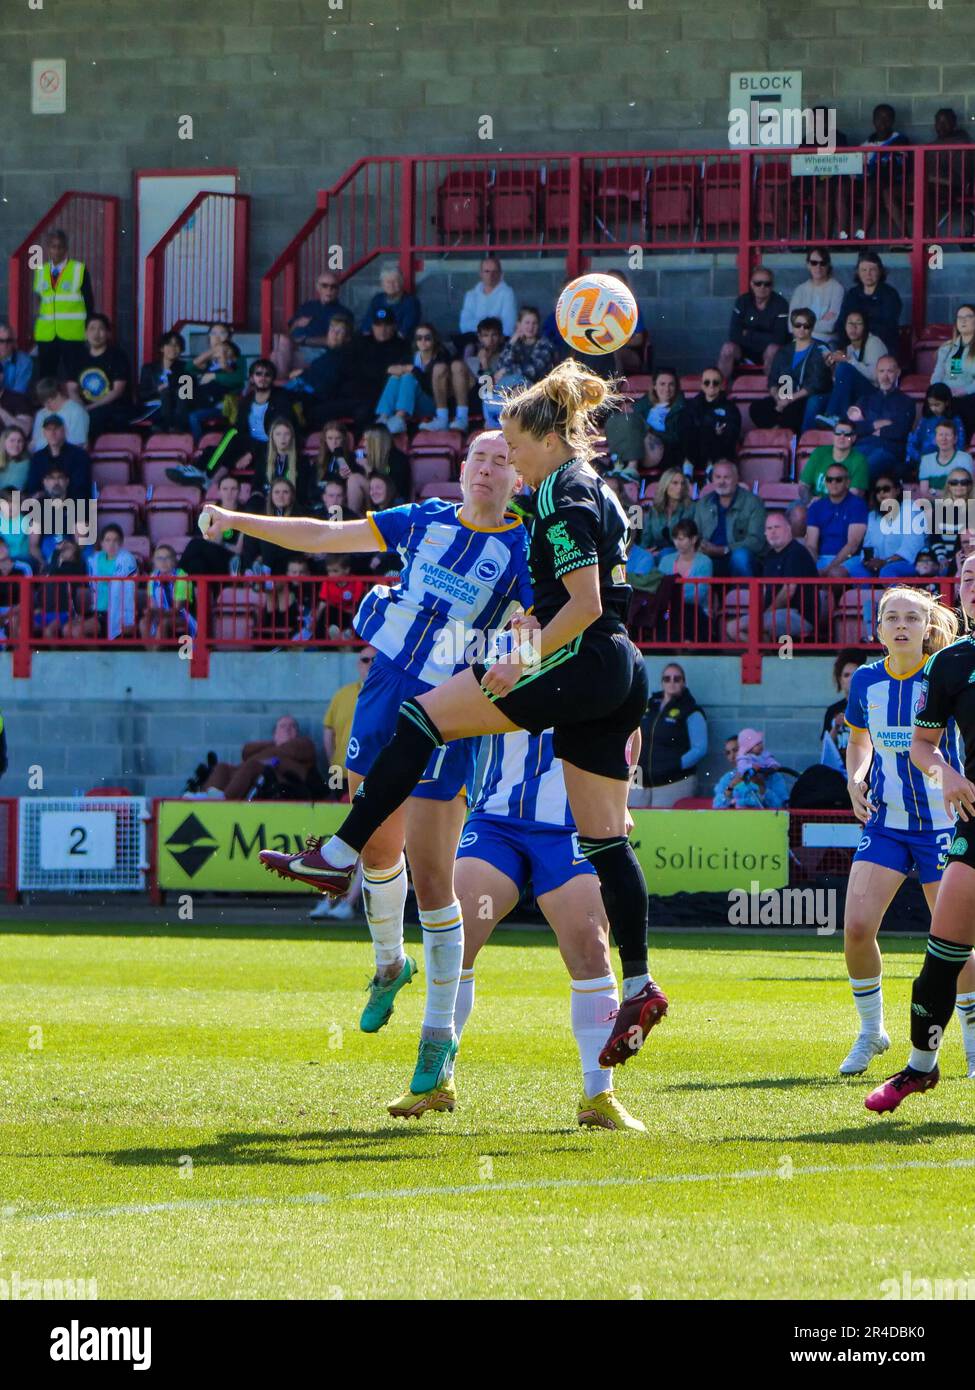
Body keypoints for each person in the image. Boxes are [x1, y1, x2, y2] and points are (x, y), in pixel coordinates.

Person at [230, 364, 671, 1090]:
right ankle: (641, 985)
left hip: (581, 663)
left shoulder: (559, 496)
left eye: (512, 451)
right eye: (487, 454)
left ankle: (342, 857)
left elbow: (580, 604)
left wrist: (516, 655)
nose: (507, 463)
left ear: (540, 440)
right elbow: (592, 597)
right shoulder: (578, 491)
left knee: (427, 722)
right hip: (617, 668)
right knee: (607, 840)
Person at [199, 430, 540, 1109]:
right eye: (478, 457)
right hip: (385, 690)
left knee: (436, 880)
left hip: (452, 708)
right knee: (377, 849)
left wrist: (520, 653)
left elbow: (536, 621)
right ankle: (389, 962)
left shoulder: (522, 549)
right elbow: (326, 537)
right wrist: (239, 520)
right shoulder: (424, 520)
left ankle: (438, 1043)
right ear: (462, 466)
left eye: (502, 461)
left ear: (517, 479)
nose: (486, 468)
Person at [447, 728, 645, 1130]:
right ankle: (437, 1070)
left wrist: (619, 799)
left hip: (573, 824)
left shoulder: (602, 662)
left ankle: (598, 1093)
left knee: (591, 946)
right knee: (458, 938)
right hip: (497, 819)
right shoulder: (490, 661)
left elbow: (629, 724)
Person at [841, 586, 975, 1102]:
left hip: (944, 824)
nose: (901, 626)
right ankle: (872, 1032)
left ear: (928, 626)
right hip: (886, 822)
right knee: (855, 927)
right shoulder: (866, 680)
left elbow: (937, 746)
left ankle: (967, 1038)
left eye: (911, 618)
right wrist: (855, 777)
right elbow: (859, 741)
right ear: (877, 629)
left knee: (954, 943)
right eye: (890, 618)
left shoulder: (944, 671)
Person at [725, 509, 819, 640]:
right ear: (765, 533)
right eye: (769, 528)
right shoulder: (770, 556)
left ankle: (767, 651)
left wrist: (766, 612)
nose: (773, 532)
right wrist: (759, 612)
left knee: (751, 625)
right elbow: (765, 590)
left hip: (797, 615)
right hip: (774, 615)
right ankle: (767, 653)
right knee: (731, 628)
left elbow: (788, 591)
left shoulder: (796, 552)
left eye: (777, 527)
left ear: (788, 529)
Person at [630, 661, 706, 809]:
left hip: (673, 781)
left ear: (684, 682)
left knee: (663, 826)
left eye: (677, 679)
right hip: (639, 779)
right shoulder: (648, 706)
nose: (672, 682)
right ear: (662, 682)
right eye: (667, 678)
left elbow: (700, 748)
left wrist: (675, 765)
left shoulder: (691, 710)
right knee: (635, 826)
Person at [192, 715, 318, 800]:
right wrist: (275, 743)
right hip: (257, 776)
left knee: (253, 765)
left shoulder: (304, 744)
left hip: (284, 781)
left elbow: (300, 751)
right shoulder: (269, 747)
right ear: (274, 734)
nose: (288, 729)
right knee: (222, 767)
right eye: (283, 726)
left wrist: (278, 745)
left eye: (292, 726)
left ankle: (226, 800)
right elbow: (246, 750)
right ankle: (205, 798)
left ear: (297, 732)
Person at [749, 308, 833, 434]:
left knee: (792, 412)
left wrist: (789, 400)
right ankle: (777, 433)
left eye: (807, 326)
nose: (802, 329)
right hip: (784, 395)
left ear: (812, 327)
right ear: (792, 326)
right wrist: (777, 397)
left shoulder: (820, 348)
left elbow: (816, 383)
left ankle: (787, 440)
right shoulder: (784, 351)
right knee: (756, 408)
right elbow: (773, 380)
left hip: (803, 397)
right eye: (798, 325)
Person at [480, 306, 557, 430]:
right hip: (508, 391)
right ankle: (494, 424)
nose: (530, 327)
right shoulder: (515, 344)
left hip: (535, 392)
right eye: (527, 323)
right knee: (487, 389)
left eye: (534, 323)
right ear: (519, 324)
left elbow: (533, 371)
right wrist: (512, 341)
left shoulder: (545, 345)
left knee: (518, 382)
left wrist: (507, 371)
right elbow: (501, 365)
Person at [32, 229, 93, 380]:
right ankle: (48, 404)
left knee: (74, 375)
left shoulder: (79, 269)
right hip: (46, 334)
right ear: (48, 249)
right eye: (53, 246)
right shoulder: (41, 271)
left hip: (72, 333)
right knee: (46, 375)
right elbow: (40, 300)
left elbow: (89, 302)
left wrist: (88, 328)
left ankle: (74, 403)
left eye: (60, 247)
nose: (57, 250)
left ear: (66, 249)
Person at [845, 355, 915, 480]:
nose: (885, 376)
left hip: (889, 450)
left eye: (890, 371)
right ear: (876, 373)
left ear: (898, 373)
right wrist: (876, 425)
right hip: (863, 446)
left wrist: (868, 427)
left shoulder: (906, 402)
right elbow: (853, 428)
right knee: (842, 468)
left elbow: (900, 432)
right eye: (881, 371)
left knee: (863, 469)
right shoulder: (865, 399)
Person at [693, 458, 766, 577]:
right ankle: (697, 596)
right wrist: (700, 546)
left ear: (737, 479)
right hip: (708, 557)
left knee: (740, 556)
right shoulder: (703, 503)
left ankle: (743, 595)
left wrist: (723, 550)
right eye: (718, 477)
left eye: (726, 477)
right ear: (712, 479)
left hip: (738, 558)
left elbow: (757, 541)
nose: (722, 482)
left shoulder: (753, 502)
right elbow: (695, 534)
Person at [375, 323, 452, 435]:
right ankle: (384, 416)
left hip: (434, 403)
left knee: (408, 377)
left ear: (434, 339)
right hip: (411, 404)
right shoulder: (412, 357)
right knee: (395, 377)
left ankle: (400, 418)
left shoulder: (441, 356)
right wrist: (395, 369)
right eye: (419, 338)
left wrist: (414, 370)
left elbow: (431, 386)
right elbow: (393, 369)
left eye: (427, 338)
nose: (423, 341)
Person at [65, 313, 131, 440]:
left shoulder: (118, 356)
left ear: (108, 333)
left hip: (113, 406)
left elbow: (117, 391)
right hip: (84, 407)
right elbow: (71, 388)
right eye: (92, 329)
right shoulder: (77, 357)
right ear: (85, 334)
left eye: (101, 329)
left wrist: (89, 408)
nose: (96, 333)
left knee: (95, 418)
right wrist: (80, 408)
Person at [717, 266, 789, 379]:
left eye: (767, 284)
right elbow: (734, 335)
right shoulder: (742, 301)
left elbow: (779, 338)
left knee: (773, 350)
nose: (762, 287)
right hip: (744, 352)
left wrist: (748, 334)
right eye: (758, 283)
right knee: (727, 348)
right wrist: (764, 336)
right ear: (751, 284)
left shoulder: (781, 304)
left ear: (772, 285)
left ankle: (772, 391)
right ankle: (719, 390)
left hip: (769, 353)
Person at [817, 310, 886, 425]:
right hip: (854, 395)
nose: (853, 327)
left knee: (845, 368)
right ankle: (807, 437)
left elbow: (875, 376)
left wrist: (848, 361)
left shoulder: (874, 342)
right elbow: (840, 385)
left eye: (858, 323)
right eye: (850, 323)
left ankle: (834, 416)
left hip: (874, 394)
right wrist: (833, 367)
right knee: (816, 400)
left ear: (865, 326)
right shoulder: (848, 348)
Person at [804, 460, 868, 575]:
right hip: (821, 558)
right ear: (825, 482)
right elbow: (811, 545)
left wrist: (828, 569)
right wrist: (811, 567)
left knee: (835, 574)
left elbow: (852, 545)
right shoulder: (816, 507)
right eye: (829, 479)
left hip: (850, 559)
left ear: (847, 482)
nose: (833, 483)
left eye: (838, 480)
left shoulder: (858, 505)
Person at [836, 252, 902, 358]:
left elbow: (888, 326)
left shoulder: (890, 294)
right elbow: (841, 322)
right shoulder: (853, 293)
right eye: (864, 270)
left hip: (881, 345)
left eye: (872, 269)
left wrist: (860, 330)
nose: (868, 274)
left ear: (880, 271)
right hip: (852, 344)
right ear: (858, 272)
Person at [678, 368, 742, 474]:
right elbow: (684, 430)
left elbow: (732, 433)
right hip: (694, 452)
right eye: (707, 382)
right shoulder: (691, 406)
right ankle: (687, 474)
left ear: (721, 385)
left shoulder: (731, 408)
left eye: (715, 382)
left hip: (719, 454)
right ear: (702, 385)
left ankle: (710, 471)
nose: (711, 385)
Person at [449, 316, 505, 433]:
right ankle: (461, 417)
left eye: (494, 335)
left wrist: (484, 363)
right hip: (470, 400)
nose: (490, 340)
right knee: (457, 366)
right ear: (479, 338)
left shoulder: (505, 358)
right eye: (485, 335)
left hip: (491, 402)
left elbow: (488, 391)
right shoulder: (471, 360)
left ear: (500, 337)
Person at [287, 270, 354, 367]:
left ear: (338, 290)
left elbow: (336, 341)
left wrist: (304, 341)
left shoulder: (344, 313)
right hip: (295, 347)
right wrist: (296, 324)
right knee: (280, 346)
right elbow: (289, 331)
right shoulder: (307, 306)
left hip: (321, 352)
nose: (329, 290)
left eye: (333, 287)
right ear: (318, 287)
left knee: (284, 356)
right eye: (325, 285)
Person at [930, 303, 975, 445]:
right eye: (960, 317)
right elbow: (937, 374)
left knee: (962, 404)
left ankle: (959, 445)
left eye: (968, 317)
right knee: (935, 401)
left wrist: (963, 390)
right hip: (947, 394)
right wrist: (938, 389)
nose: (963, 320)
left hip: (968, 395)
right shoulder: (947, 347)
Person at [713, 727, 789, 810]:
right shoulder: (727, 778)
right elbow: (717, 805)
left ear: (749, 749)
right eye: (728, 753)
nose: (732, 756)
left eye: (736, 750)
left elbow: (782, 807)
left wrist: (762, 787)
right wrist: (731, 786)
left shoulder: (773, 776)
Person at [657, 518, 712, 631]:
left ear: (694, 539)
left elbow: (699, 595)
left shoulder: (705, 561)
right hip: (669, 611)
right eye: (675, 538)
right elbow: (658, 587)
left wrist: (672, 596)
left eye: (682, 539)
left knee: (688, 613)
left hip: (697, 612)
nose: (678, 542)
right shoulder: (665, 560)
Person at [24, 416, 92, 501]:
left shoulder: (79, 455)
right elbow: (33, 488)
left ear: (64, 431)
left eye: (56, 428)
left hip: (74, 507)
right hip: (44, 507)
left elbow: (81, 488)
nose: (53, 432)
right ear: (44, 433)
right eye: (49, 429)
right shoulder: (37, 458)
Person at [798, 420, 869, 500]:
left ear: (853, 438)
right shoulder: (819, 453)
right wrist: (809, 501)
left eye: (847, 434)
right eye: (838, 433)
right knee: (797, 510)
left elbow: (855, 494)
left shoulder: (859, 460)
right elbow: (803, 486)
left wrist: (824, 504)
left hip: (843, 507)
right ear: (833, 435)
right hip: (813, 502)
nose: (842, 437)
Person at [788, 248, 844, 346]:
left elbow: (831, 326)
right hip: (800, 342)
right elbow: (791, 325)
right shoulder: (800, 290)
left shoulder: (837, 288)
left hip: (827, 342)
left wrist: (802, 324)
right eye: (814, 263)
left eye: (822, 263)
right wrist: (820, 322)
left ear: (828, 265)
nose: (818, 267)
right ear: (808, 265)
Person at [140, 542, 193, 644]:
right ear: (154, 562)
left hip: (182, 616)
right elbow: (152, 605)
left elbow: (178, 609)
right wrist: (150, 612)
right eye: (159, 558)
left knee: (163, 623)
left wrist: (155, 612)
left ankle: (156, 656)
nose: (163, 562)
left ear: (174, 561)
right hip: (160, 613)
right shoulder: (153, 577)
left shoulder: (181, 576)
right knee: (143, 622)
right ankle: (151, 654)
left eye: (167, 558)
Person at [906, 383, 965, 473]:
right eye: (931, 405)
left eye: (937, 405)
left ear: (947, 402)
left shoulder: (955, 420)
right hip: (923, 461)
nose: (933, 408)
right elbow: (914, 441)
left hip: (947, 462)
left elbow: (960, 444)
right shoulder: (925, 420)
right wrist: (919, 457)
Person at [638, 467, 694, 559]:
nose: (679, 487)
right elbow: (646, 540)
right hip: (656, 555)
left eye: (682, 484)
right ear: (665, 485)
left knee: (666, 553)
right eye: (675, 483)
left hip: (681, 555)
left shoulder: (691, 508)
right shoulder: (654, 510)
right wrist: (644, 552)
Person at [459, 256, 517, 340]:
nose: (491, 275)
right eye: (487, 271)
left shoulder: (508, 294)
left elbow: (509, 327)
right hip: (474, 339)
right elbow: (464, 326)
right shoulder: (471, 295)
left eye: (494, 271)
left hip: (498, 341)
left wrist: (479, 323)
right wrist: (494, 322)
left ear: (500, 274)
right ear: (480, 273)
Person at [358, 266, 420, 341]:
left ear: (401, 282)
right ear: (382, 284)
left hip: (399, 345)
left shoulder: (411, 302)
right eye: (388, 282)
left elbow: (405, 330)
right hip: (375, 343)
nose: (391, 285)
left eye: (395, 281)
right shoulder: (377, 299)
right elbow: (367, 322)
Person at [918, 420, 973, 496]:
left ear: (955, 439)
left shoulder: (965, 458)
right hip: (933, 505)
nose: (944, 438)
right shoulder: (926, 460)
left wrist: (934, 491)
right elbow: (925, 493)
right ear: (935, 439)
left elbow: (969, 489)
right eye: (940, 434)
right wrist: (952, 494)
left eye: (948, 435)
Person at [0, 320, 34, 396]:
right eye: (1, 341)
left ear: (14, 342)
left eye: (9, 341)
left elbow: (18, 394)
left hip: (12, 404)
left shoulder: (24, 361)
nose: (5, 345)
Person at [0, 427, 32, 493]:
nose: (16, 445)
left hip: (12, 500)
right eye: (12, 440)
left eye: (20, 441)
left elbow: (14, 490)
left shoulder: (26, 464)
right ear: (4, 442)